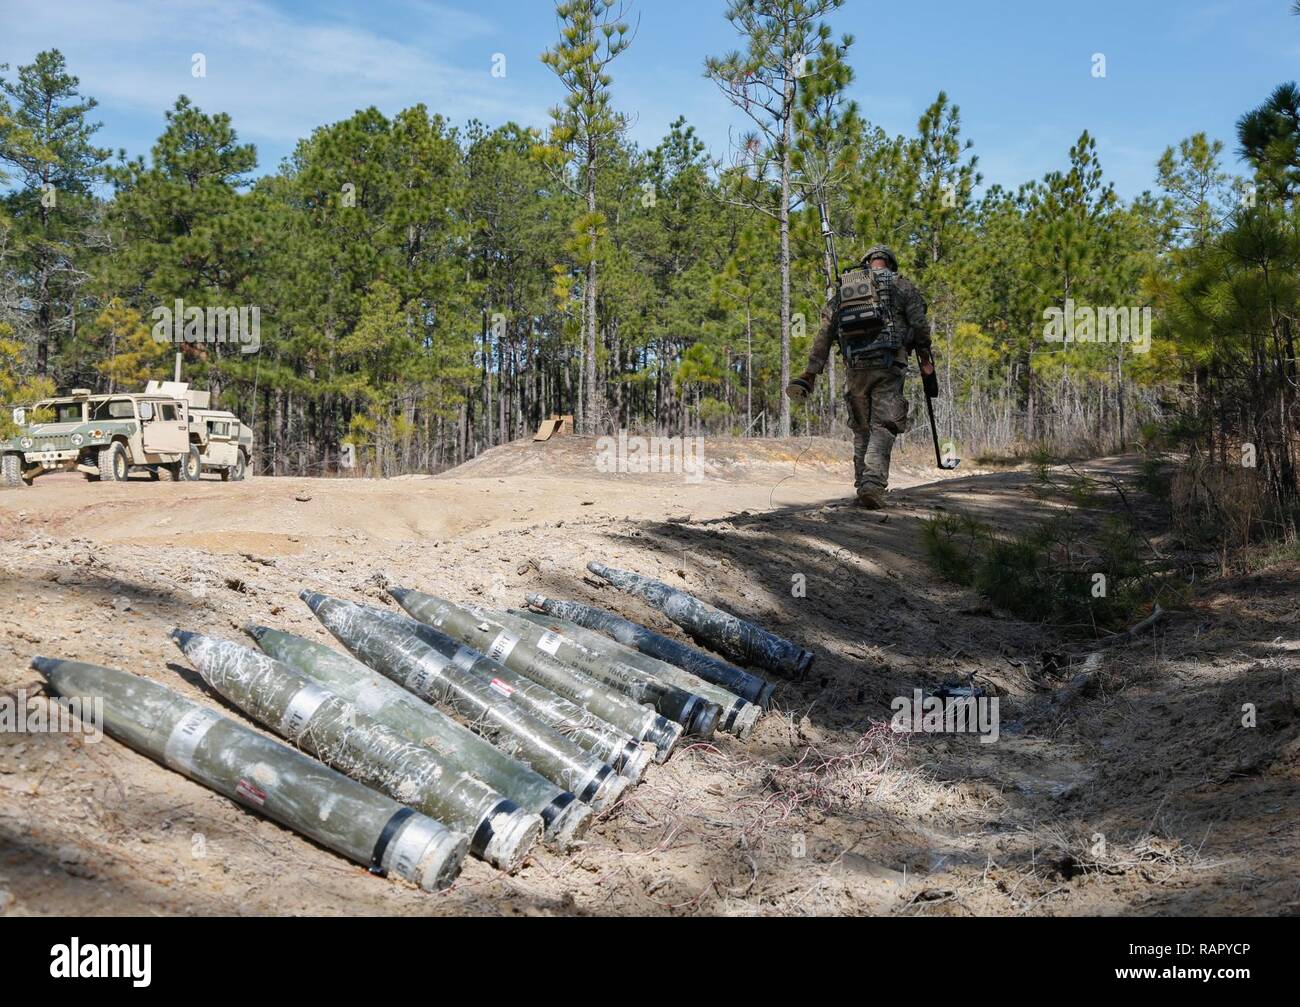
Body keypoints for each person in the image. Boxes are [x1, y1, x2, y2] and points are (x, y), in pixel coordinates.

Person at [788, 245, 933, 508]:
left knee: (861, 428)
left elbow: (824, 334)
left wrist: (811, 372)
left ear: (866, 264)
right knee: (884, 425)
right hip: (889, 366)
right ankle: (872, 485)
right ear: (890, 264)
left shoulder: (844, 291)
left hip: (855, 368)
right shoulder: (902, 286)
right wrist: (925, 359)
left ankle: (862, 485)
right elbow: (920, 325)